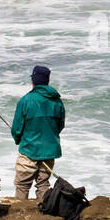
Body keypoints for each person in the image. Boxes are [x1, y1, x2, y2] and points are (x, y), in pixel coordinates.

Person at [11, 64, 65, 200]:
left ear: (33, 80)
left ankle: (20, 213)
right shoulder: (57, 101)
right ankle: (43, 212)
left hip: (29, 150)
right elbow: (60, 125)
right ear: (47, 80)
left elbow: (16, 129)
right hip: (49, 150)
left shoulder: (25, 100)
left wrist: (19, 140)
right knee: (43, 184)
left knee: (22, 184)